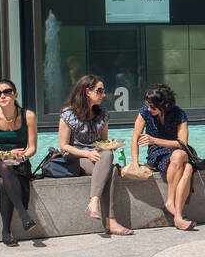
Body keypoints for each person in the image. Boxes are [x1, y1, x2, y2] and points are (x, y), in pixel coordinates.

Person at [58, 75, 133, 236]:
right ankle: (110, 221)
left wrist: (109, 143)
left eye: (103, 91)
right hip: (77, 157)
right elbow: (63, 146)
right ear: (87, 91)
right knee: (111, 170)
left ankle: (94, 202)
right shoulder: (68, 114)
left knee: (107, 156)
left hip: (97, 156)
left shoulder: (102, 114)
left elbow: (103, 141)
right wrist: (86, 153)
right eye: (99, 91)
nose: (103, 94)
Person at [0, 78, 39, 246]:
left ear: (15, 94)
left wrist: (22, 157)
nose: (2, 96)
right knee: (5, 166)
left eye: (7, 92)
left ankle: (6, 232)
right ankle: (23, 215)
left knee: (4, 182)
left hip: (20, 161)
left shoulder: (28, 116)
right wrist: (6, 153)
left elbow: (32, 148)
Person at [132, 83, 195, 231]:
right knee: (188, 168)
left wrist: (154, 140)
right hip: (157, 152)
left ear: (164, 105)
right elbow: (135, 138)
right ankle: (177, 214)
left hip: (176, 149)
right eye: (148, 105)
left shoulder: (179, 114)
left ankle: (172, 206)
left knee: (179, 155)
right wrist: (135, 162)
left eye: (152, 107)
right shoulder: (144, 113)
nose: (149, 109)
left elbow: (182, 143)